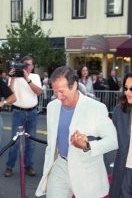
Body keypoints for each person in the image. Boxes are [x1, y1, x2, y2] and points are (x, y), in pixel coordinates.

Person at [36, 66, 118, 198]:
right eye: (55, 92)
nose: (59, 97)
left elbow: (113, 141)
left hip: (86, 170)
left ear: (74, 85)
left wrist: (87, 145)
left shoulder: (96, 108)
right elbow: (52, 143)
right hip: (60, 166)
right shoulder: (52, 107)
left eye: (61, 92)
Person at [4, 55, 42, 177]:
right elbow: (9, 94)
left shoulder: (35, 77)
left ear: (33, 66)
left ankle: (28, 166)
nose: (26, 67)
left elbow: (39, 92)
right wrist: (12, 78)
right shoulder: (14, 76)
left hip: (32, 113)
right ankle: (9, 166)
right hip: (18, 112)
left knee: (31, 142)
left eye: (29, 65)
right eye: (24, 64)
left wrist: (27, 79)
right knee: (14, 142)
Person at [110, 72, 132, 198]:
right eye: (126, 88)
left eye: (131, 89)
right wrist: (87, 144)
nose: (127, 92)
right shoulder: (120, 111)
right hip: (125, 170)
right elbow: (107, 137)